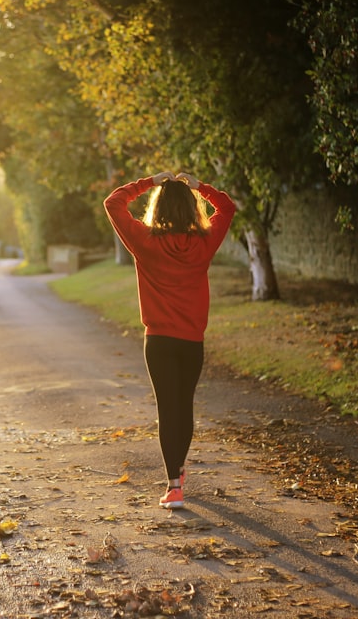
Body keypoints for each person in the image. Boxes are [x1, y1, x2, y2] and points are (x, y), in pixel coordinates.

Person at [104, 171, 236, 509]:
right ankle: (177, 471)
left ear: (158, 208)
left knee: (168, 409)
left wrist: (149, 182)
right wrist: (199, 187)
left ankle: (174, 485)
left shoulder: (144, 241)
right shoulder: (204, 243)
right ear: (192, 209)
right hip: (191, 341)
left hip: (159, 341)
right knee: (184, 406)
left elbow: (113, 202)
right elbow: (227, 207)